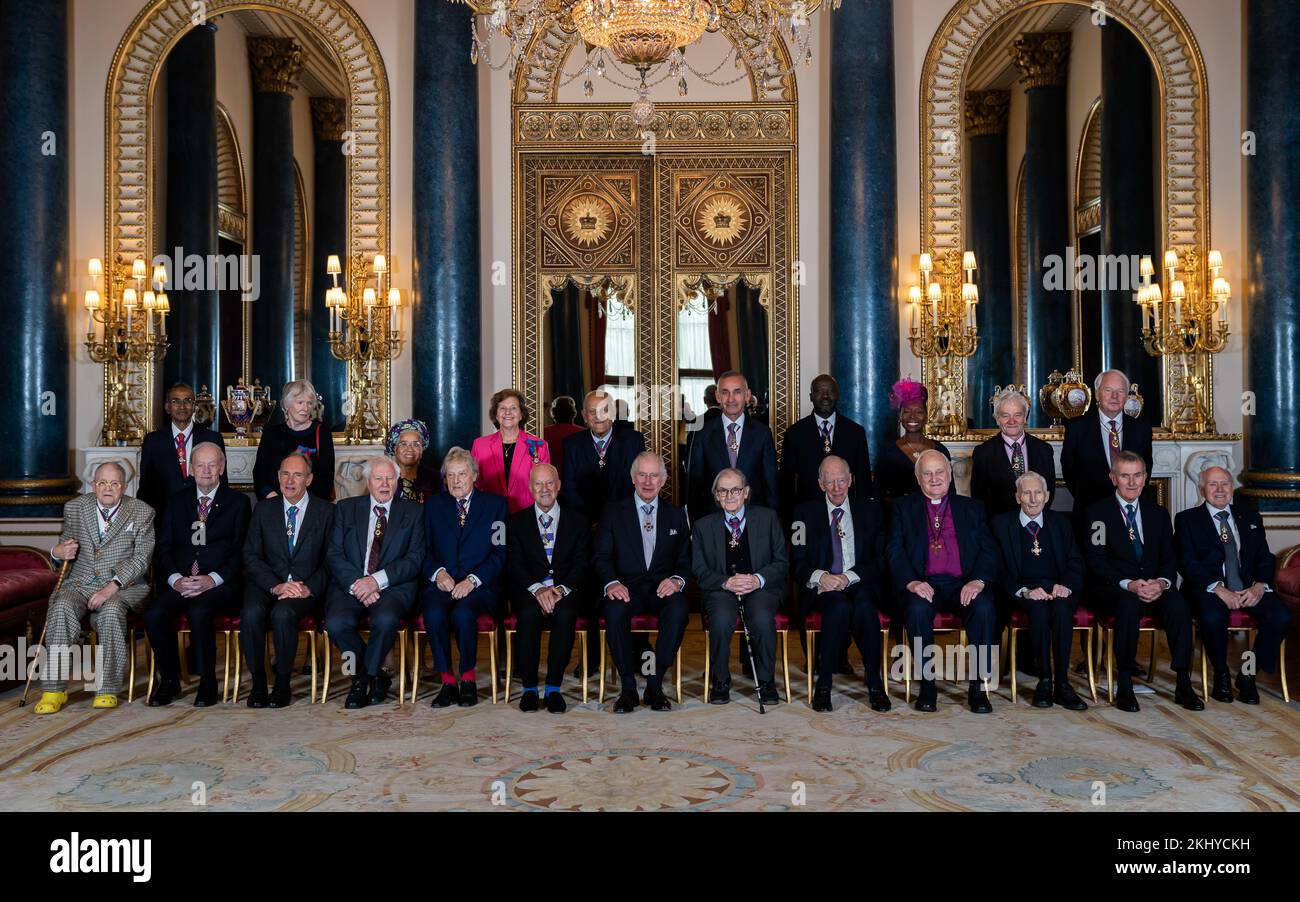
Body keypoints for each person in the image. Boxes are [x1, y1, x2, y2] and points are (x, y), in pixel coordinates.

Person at [1083, 451, 1201, 712]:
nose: (1132, 482)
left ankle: (1183, 682)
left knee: (1179, 606)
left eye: (1137, 475)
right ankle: (1125, 683)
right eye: (1125, 476)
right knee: (1129, 606)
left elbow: (1170, 559)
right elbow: (1097, 561)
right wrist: (1130, 584)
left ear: (1145, 478)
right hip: (1115, 588)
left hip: (1154, 585)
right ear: (1114, 478)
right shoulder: (1097, 514)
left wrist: (1160, 583)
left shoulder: (1157, 514)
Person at [33, 463, 155, 714]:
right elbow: (63, 546)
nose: (107, 488)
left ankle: (107, 688)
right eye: (102, 483)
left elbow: (142, 559)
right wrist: (57, 552)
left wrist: (111, 588)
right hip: (80, 581)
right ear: (93, 485)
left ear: (124, 486)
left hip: (124, 586)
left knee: (109, 613)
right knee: (61, 607)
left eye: (114, 484)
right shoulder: (76, 508)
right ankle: (53, 689)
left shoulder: (142, 511)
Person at [886, 449, 999, 713]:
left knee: (983, 608)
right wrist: (912, 582)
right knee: (915, 609)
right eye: (927, 473)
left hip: (964, 584)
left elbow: (989, 549)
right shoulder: (903, 508)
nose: (934, 478)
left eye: (940, 472)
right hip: (924, 584)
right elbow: (894, 550)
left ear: (950, 475)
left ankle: (978, 686)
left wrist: (979, 581)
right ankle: (927, 685)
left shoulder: (972, 508)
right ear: (918, 479)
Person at [1175, 466, 1292, 704]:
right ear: (1202, 489)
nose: (1219, 490)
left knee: (1280, 616)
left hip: (1248, 587)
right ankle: (1222, 674)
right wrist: (1218, 588)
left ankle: (1247, 675)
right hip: (1208, 588)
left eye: (1224, 484)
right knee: (1212, 617)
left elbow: (1264, 556)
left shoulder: (1249, 515)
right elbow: (1187, 562)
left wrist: (1260, 586)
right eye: (1213, 484)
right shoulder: (1187, 519)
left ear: (1232, 487)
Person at [146, 442, 251, 707]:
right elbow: (164, 548)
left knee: (199, 612)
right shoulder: (176, 502)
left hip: (220, 584)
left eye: (212, 464)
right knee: (155, 614)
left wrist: (211, 579)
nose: (206, 470)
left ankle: (207, 682)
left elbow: (241, 551)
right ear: (191, 469)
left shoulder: (238, 503)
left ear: (222, 467)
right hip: (181, 581)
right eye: (200, 465)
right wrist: (175, 580)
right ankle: (169, 680)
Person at [324, 456, 426, 708]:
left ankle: (362, 681)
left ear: (398, 481)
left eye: (390, 478)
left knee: (386, 620)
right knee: (336, 623)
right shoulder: (346, 508)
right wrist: (359, 582)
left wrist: (376, 581)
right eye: (378, 478)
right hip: (351, 584)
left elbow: (415, 558)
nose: (384, 484)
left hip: (392, 585)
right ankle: (373, 675)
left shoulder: (412, 511)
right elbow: (333, 553)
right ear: (368, 482)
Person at [593, 451, 691, 712]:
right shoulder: (613, 512)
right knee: (614, 611)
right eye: (642, 475)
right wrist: (611, 583)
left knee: (679, 609)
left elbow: (685, 560)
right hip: (626, 586)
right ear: (632, 478)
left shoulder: (676, 515)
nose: (648, 481)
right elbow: (601, 556)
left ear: (664, 480)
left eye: (654, 476)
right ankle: (628, 689)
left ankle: (655, 685)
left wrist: (677, 581)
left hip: (662, 587)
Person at [791, 456, 890, 713]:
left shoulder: (871, 510)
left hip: (858, 580)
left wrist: (849, 577)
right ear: (821, 483)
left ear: (851, 481)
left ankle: (875, 683)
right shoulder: (802, 514)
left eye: (841, 481)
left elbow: (880, 559)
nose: (837, 487)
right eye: (830, 481)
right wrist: (822, 576)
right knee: (838, 607)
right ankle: (824, 684)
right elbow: (797, 561)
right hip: (823, 587)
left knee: (865, 607)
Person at [561, 389, 645, 677]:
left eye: (604, 410)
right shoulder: (572, 444)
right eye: (592, 411)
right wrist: (590, 524)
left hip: (623, 528)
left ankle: (636, 657)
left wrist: (610, 522)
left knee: (630, 591)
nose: (598, 416)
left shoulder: (633, 440)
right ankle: (591, 659)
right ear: (584, 416)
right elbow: (569, 489)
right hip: (586, 530)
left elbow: (636, 484)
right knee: (590, 598)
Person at [240, 453, 335, 708]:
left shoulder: (325, 511)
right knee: (250, 613)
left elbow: (331, 560)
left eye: (297, 474)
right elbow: (251, 555)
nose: (289, 480)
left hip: (304, 587)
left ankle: (282, 683)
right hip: (267, 583)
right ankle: (259, 682)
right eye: (284, 474)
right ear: (278, 477)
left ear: (309, 479)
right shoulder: (264, 509)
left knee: (283, 614)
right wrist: (275, 584)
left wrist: (308, 588)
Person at [990, 471, 1087, 710]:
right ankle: (1044, 680)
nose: (1033, 499)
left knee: (1063, 610)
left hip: (1057, 587)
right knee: (1039, 611)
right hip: (1022, 590)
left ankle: (1062, 683)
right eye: (1026, 493)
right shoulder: (1001, 524)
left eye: (1038, 493)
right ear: (1017, 497)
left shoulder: (1061, 522)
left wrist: (1066, 586)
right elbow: (997, 568)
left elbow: (1076, 561)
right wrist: (1024, 591)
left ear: (1047, 496)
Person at [419, 447, 508, 707]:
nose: (456, 480)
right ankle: (447, 680)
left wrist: (472, 580)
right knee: (434, 614)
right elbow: (423, 550)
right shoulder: (434, 506)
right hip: (443, 582)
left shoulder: (495, 506)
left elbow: (500, 553)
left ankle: (467, 678)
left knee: (463, 614)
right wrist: (439, 573)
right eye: (451, 475)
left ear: (474, 476)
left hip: (480, 585)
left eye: (462, 474)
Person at [692, 468, 788, 706]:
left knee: (762, 618)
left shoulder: (768, 518)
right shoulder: (703, 526)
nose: (730, 495)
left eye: (735, 489)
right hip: (721, 589)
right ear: (716, 495)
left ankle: (766, 681)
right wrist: (726, 581)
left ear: (746, 492)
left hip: (761, 589)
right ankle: (721, 680)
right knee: (722, 618)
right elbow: (699, 570)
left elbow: (781, 563)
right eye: (723, 491)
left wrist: (757, 579)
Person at [507, 464, 588, 712]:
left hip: (565, 590)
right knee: (528, 615)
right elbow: (514, 564)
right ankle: (530, 688)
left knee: (565, 615)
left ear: (558, 486)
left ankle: (553, 687)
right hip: (529, 590)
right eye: (539, 484)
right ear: (530, 488)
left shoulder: (579, 521)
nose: (545, 489)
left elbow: (582, 563)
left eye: (549, 483)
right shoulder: (515, 522)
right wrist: (538, 589)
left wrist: (561, 590)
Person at [1062, 368, 1153, 533]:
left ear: (1126, 396)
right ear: (1097, 394)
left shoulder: (1142, 429)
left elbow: (1146, 469)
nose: (1114, 396)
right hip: (1089, 512)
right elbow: (1069, 470)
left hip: (1130, 512)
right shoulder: (1077, 428)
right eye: (1108, 390)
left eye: (1120, 391)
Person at [779, 374, 874, 524]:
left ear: (837, 395)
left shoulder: (855, 432)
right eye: (819, 391)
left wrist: (863, 517)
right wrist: (791, 520)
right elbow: (787, 483)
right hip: (808, 517)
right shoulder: (795, 433)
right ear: (811, 396)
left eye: (830, 391)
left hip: (847, 515)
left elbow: (863, 480)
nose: (825, 396)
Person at [685, 370, 778, 521]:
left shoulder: (763, 434)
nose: (731, 399)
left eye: (737, 392)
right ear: (718, 396)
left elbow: (771, 484)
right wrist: (697, 527)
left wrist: (773, 524)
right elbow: (694, 486)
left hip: (754, 521)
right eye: (725, 392)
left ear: (747, 396)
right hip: (713, 522)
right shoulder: (702, 434)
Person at [136, 382, 225, 514]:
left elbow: (222, 483)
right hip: (164, 516)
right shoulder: (153, 441)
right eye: (175, 401)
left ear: (194, 406)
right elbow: (146, 487)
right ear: (167, 407)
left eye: (188, 401)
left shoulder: (213, 438)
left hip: (203, 513)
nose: (182, 406)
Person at [971, 388, 1055, 520]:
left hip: (1037, 525)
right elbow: (978, 499)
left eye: (1017, 415)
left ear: (1025, 418)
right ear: (997, 418)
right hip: (998, 529)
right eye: (1005, 415)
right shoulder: (983, 453)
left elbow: (1049, 491)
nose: (1012, 421)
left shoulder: (1044, 450)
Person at [253, 379, 336, 502]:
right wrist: (275, 501)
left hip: (310, 507)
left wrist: (301, 504)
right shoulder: (271, 434)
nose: (305, 408)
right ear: (287, 404)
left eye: (309, 403)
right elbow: (260, 473)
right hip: (274, 504)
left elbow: (326, 477)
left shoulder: (322, 433)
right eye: (300, 402)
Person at [471, 388, 551, 514]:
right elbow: (475, 484)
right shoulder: (480, 445)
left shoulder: (539, 446)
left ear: (521, 414)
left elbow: (544, 486)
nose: (507, 412)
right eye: (502, 408)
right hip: (489, 513)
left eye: (513, 408)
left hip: (526, 515)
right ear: (496, 415)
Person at [875, 379, 953, 506]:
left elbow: (950, 492)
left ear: (927, 417)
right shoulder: (887, 451)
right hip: (898, 517)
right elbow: (879, 494)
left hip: (934, 516)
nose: (912, 416)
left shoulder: (939, 450)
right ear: (900, 417)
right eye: (906, 412)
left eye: (919, 412)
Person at [385, 418, 439, 502]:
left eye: (416, 444)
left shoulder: (435, 477)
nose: (410, 449)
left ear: (422, 449)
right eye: (403, 444)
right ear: (395, 449)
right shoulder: (383, 476)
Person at [543, 396, 584, 480]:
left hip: (549, 482)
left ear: (553, 413)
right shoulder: (584, 434)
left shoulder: (543, 433)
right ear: (573, 413)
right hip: (576, 483)